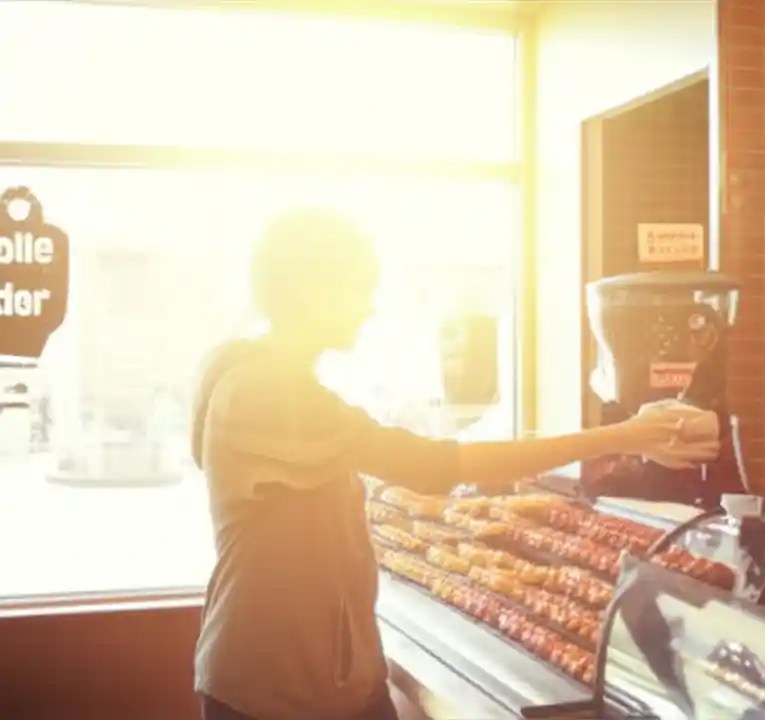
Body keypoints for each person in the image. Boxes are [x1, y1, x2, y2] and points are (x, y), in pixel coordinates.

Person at [191, 209, 719, 720]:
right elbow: (431, 465)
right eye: (359, 288)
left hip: (328, 675)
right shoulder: (263, 390)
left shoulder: (276, 382)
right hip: (276, 684)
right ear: (312, 291)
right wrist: (622, 435)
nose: (368, 307)